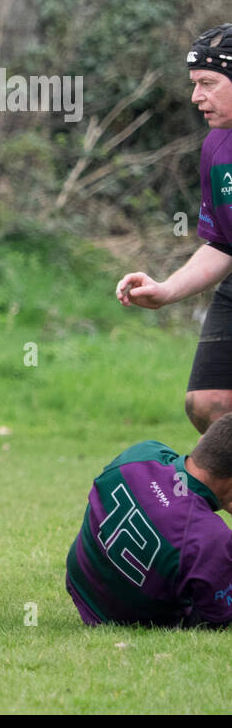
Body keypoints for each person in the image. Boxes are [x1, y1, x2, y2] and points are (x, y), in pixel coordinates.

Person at [117, 24, 232, 433]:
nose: (195, 97)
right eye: (194, 84)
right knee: (209, 404)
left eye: (208, 83)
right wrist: (167, 290)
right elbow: (221, 243)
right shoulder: (217, 146)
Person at [66, 414, 232, 628]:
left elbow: (174, 493)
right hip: (127, 618)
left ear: (202, 442)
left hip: (81, 584)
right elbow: (219, 618)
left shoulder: (142, 453)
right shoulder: (210, 539)